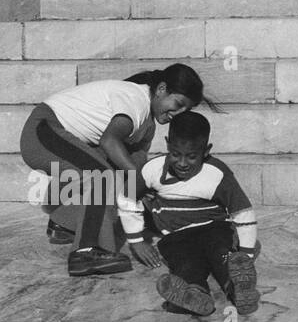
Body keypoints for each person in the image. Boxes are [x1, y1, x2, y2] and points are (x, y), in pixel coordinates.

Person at [20, 63, 214, 277]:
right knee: (102, 176)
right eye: (177, 104)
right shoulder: (136, 100)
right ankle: (85, 252)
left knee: (118, 173)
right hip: (44, 129)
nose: (177, 114)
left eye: (185, 111)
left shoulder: (147, 125)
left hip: (60, 136)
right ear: (161, 89)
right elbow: (109, 141)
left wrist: (162, 205)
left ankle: (63, 223)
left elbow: (134, 168)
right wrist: (140, 179)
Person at [118, 111, 261, 316]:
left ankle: (239, 288)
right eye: (176, 154)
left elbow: (242, 212)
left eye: (192, 156)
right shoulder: (152, 169)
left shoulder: (217, 173)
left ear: (206, 151)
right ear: (167, 144)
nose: (182, 163)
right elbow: (126, 197)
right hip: (176, 236)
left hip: (214, 227)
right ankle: (195, 295)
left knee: (222, 254)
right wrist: (136, 240)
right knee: (185, 263)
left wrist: (245, 255)